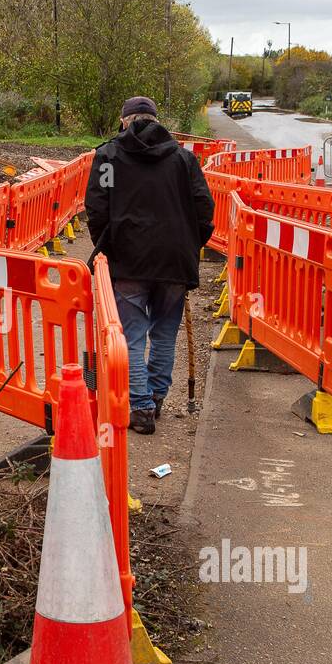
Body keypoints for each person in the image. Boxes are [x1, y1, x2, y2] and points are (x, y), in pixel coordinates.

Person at [85, 96, 214, 435]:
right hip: (174, 259)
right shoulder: (184, 160)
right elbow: (204, 208)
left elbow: (98, 207)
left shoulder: (110, 158)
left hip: (128, 260)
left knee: (133, 336)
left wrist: (107, 245)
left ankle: (141, 407)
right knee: (163, 334)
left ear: (123, 120)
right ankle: (155, 398)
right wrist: (190, 244)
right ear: (157, 120)